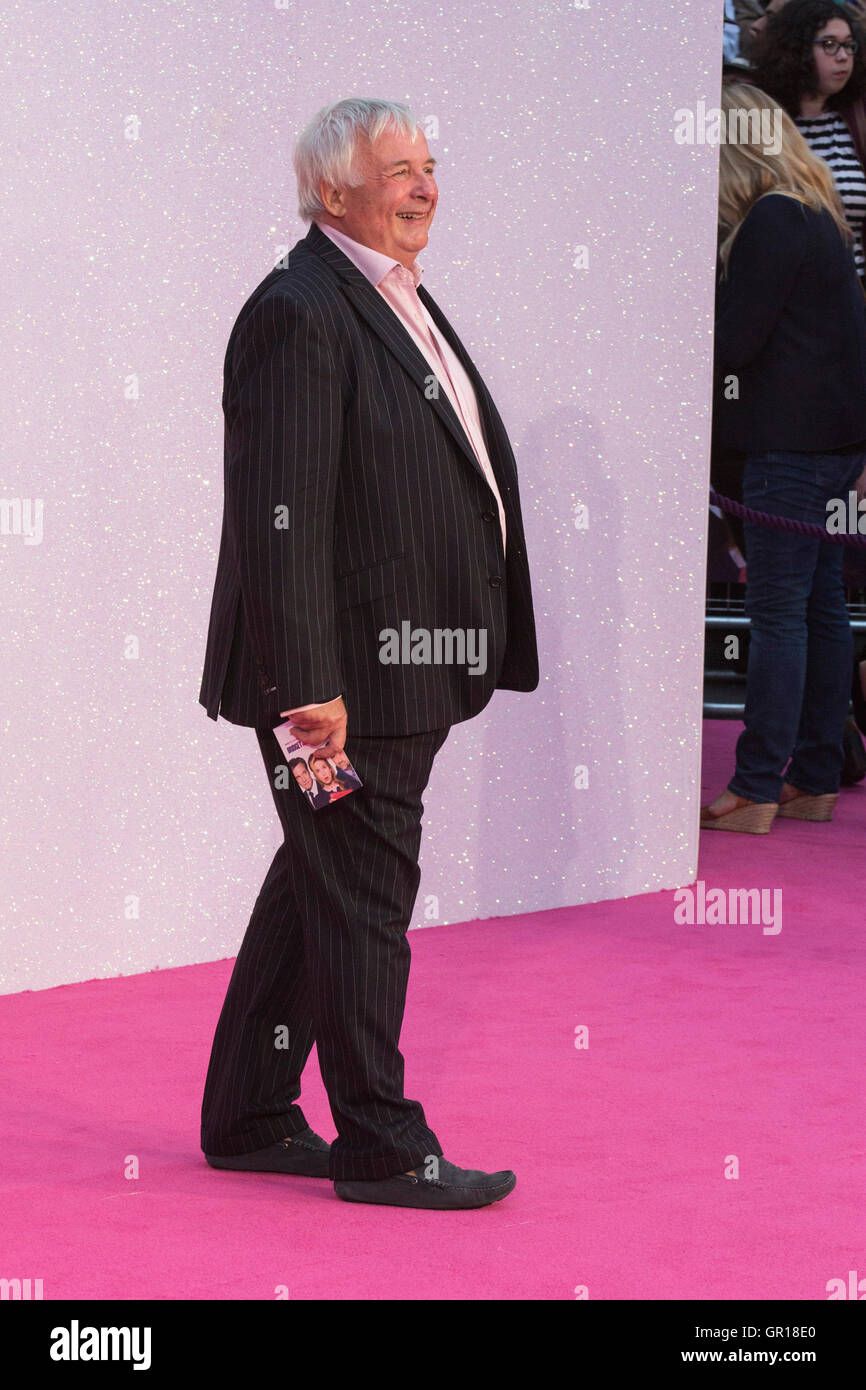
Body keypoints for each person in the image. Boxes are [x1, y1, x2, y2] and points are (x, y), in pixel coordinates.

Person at [197, 98, 539, 1208]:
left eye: (429, 165)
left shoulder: (389, 294)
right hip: (341, 689)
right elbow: (277, 514)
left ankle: (250, 1114)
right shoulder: (301, 309)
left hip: (405, 668)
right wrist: (308, 696)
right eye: (398, 169)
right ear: (331, 189)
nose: (423, 184)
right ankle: (383, 1145)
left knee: (321, 883)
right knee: (361, 900)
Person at [702, 83, 866, 832]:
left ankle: (758, 784)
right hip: (831, 448)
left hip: (786, 452)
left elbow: (736, 342)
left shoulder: (770, 219)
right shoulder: (818, 215)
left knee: (779, 617)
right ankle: (814, 777)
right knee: (821, 609)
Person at [752, 0, 866, 278]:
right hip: (785, 296)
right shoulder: (760, 117)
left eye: (849, 45)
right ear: (795, 50)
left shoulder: (856, 116)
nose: (843, 56)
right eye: (829, 44)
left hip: (853, 295)